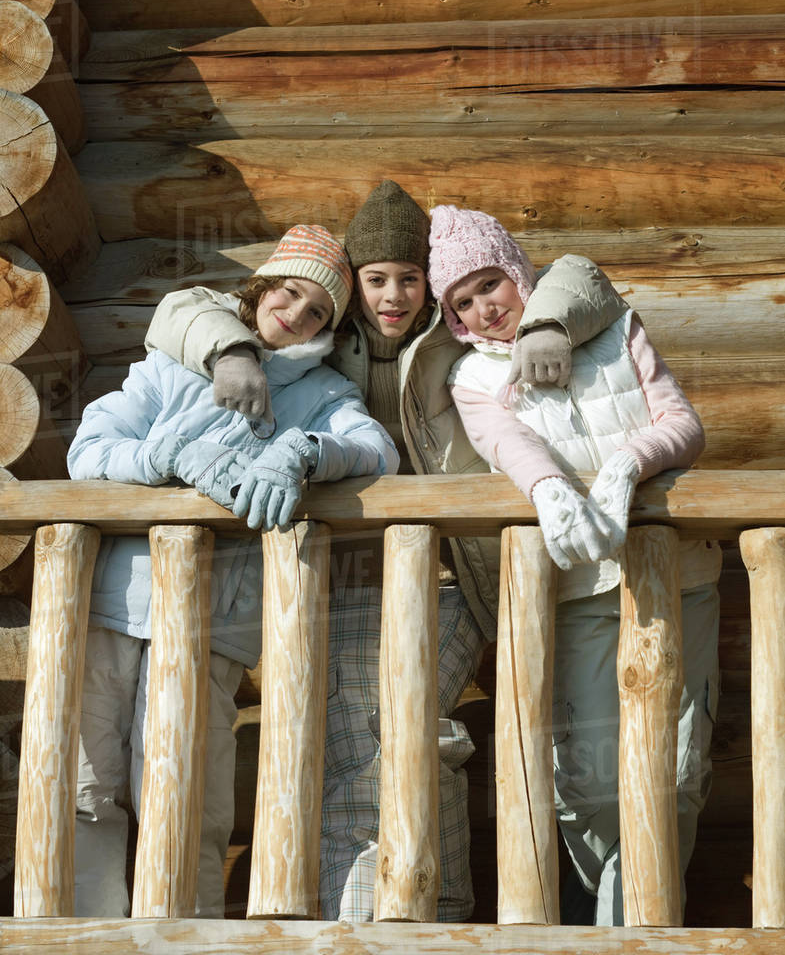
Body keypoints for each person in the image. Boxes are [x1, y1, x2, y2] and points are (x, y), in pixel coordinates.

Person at [142, 181, 630, 921]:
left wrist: (545, 325)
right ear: (354, 287)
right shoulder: (322, 341)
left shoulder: (455, 338)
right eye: (376, 280)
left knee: (404, 723)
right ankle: (381, 913)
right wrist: (234, 351)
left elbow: (576, 274)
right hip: (343, 579)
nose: (393, 295)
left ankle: (405, 913)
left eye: (409, 278)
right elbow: (187, 308)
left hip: (450, 575)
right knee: (352, 740)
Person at [66, 224, 399, 918]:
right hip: (113, 605)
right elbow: (90, 449)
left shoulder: (323, 393)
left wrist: (303, 451)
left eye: (318, 312)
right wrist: (163, 460)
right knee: (86, 787)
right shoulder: (173, 364)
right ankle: (80, 933)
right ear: (260, 286)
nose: (298, 315)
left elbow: (376, 453)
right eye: (289, 292)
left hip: (214, 623)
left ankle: (183, 935)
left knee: (186, 792)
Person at [427, 203, 721, 926]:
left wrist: (627, 464)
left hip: (676, 577)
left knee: (678, 769)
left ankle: (639, 925)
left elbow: (680, 424)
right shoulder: (471, 377)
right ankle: (612, 906)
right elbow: (507, 446)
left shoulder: (616, 331)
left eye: (488, 284)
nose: (481, 307)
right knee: (587, 784)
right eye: (460, 301)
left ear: (516, 273)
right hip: (576, 586)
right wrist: (553, 489)